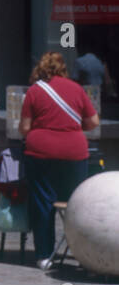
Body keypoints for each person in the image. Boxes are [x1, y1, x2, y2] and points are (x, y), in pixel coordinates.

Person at [19, 51, 100, 271]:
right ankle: (81, 252)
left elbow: (24, 128)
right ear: (63, 68)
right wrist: (72, 129)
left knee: (43, 202)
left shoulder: (35, 91)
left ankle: (45, 255)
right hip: (74, 151)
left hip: (41, 151)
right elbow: (93, 121)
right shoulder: (76, 89)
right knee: (76, 203)